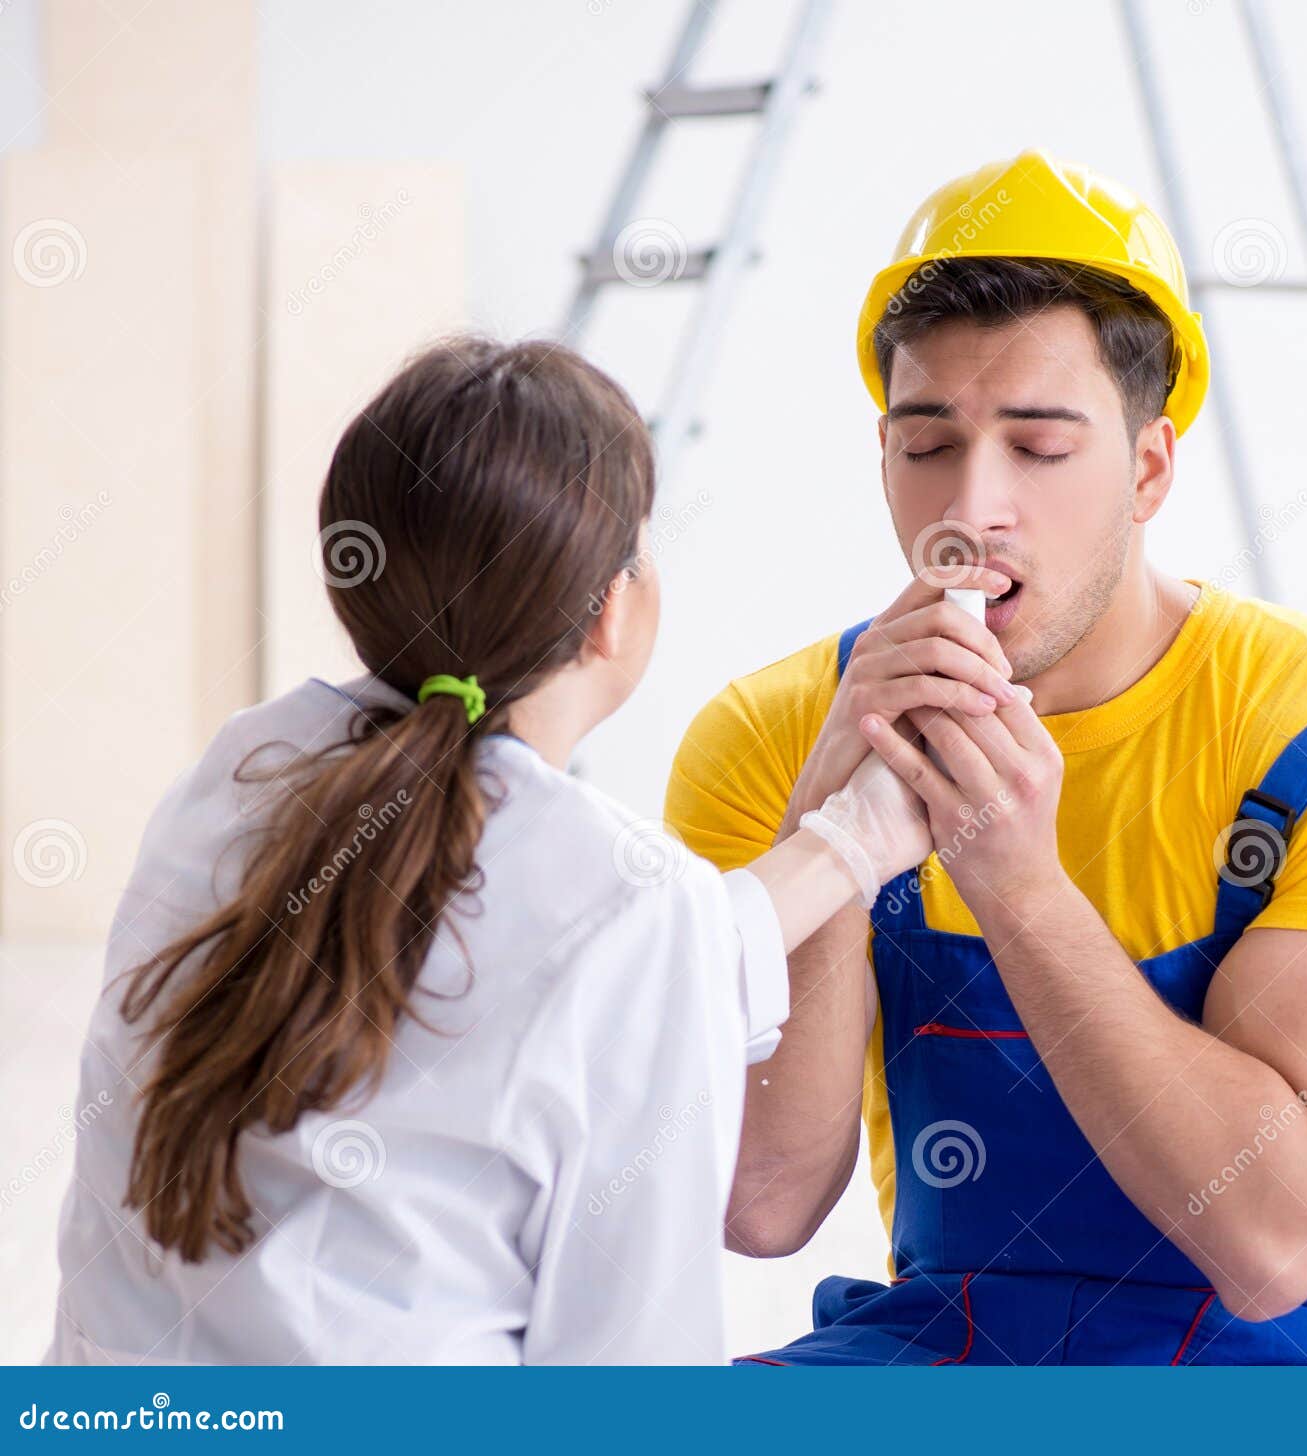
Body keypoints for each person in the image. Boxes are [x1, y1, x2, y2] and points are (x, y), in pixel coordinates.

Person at [665, 150, 1307, 1365]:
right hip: (960, 1340)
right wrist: (828, 856)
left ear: (1149, 467)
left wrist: (1017, 886)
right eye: (927, 445)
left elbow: (1272, 1245)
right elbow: (761, 1203)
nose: (974, 506)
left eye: (1040, 449)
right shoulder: (776, 733)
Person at [44, 336, 945, 1366]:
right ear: (616, 609)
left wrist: (845, 843)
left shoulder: (243, 766)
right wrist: (845, 845)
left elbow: (581, 956)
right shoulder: (624, 909)